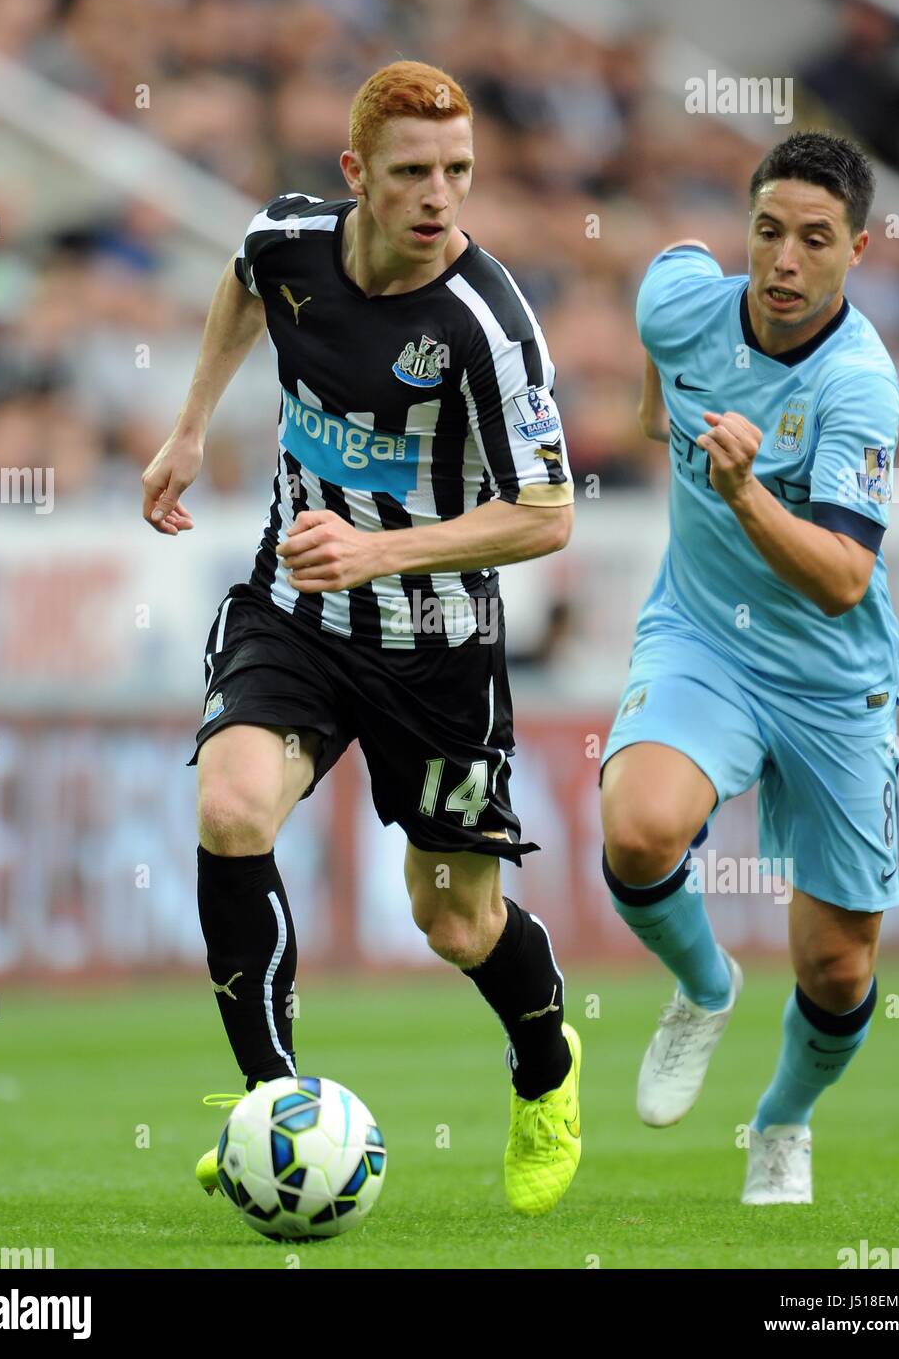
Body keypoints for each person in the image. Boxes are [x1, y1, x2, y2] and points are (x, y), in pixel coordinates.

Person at [141, 61, 580, 1217]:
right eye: (413, 172)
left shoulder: (486, 324)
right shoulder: (286, 241)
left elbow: (549, 514)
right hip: (295, 614)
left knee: (454, 918)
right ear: (355, 177)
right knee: (233, 808)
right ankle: (271, 1103)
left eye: (458, 171)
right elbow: (241, 284)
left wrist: (379, 551)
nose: (441, 195)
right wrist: (189, 428)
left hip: (433, 645)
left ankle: (546, 1065)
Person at [600, 131, 899, 1204]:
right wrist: (657, 401)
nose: (783, 260)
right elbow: (660, 297)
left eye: (813, 240)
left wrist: (739, 492)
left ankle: (779, 1121)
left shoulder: (860, 386)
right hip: (704, 637)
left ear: (855, 249)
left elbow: (839, 577)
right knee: (638, 829)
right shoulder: (686, 303)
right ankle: (702, 983)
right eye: (768, 230)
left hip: (830, 678)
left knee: (836, 967)